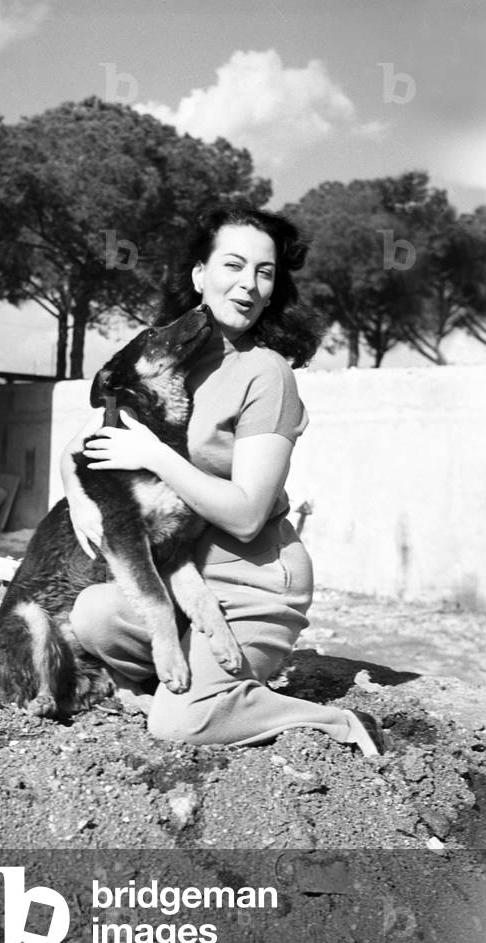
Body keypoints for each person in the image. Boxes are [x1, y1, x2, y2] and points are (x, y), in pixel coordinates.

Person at [60, 200, 384, 756]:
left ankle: (334, 722)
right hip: (189, 577)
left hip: (253, 577)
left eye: (265, 272)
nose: (249, 285)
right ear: (199, 275)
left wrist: (156, 457)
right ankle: (190, 681)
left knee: (180, 726)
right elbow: (80, 448)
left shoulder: (267, 373)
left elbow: (246, 512)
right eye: (233, 266)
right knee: (93, 617)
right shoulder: (168, 358)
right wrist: (78, 501)